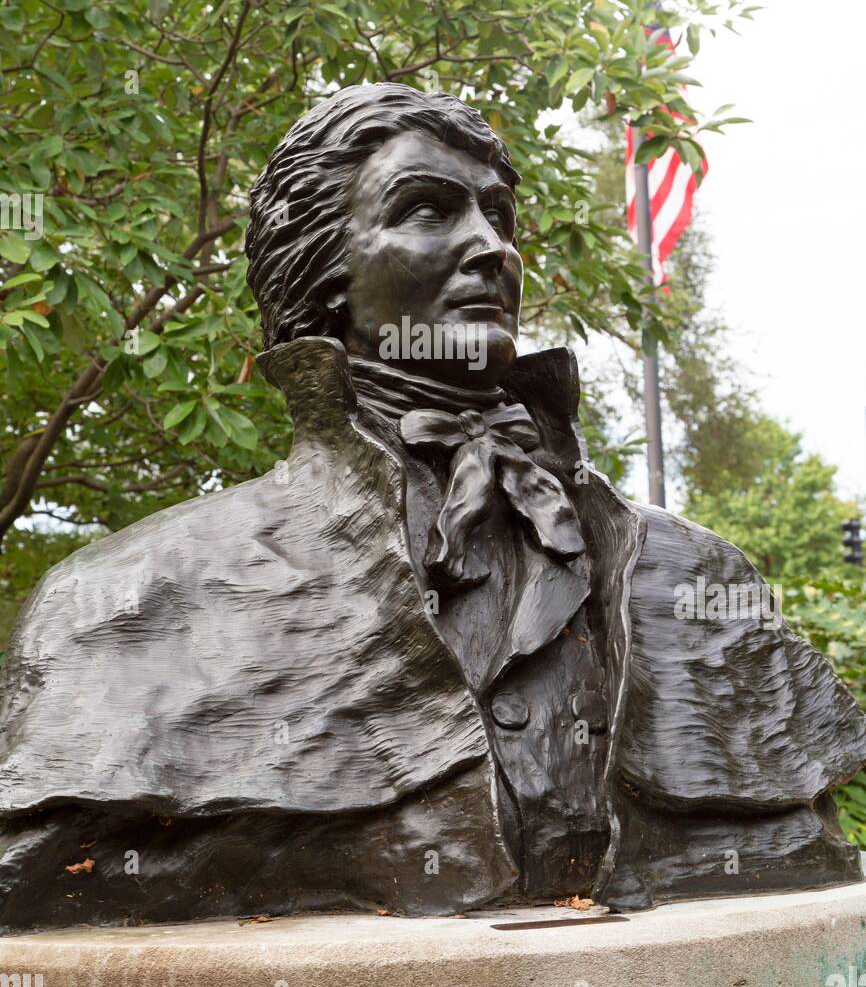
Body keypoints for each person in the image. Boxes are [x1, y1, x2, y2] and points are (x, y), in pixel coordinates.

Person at [1, 83, 864, 930]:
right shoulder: (130, 601)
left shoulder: (694, 574)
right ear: (323, 270)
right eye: (427, 209)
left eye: (499, 215)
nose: (492, 247)